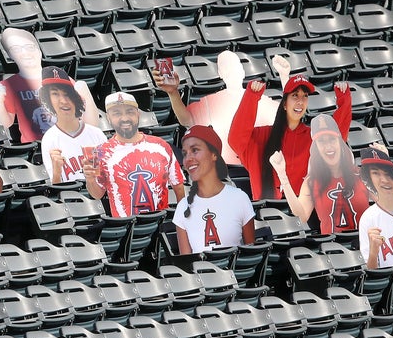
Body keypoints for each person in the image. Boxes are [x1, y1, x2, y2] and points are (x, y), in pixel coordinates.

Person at [228, 74, 351, 201]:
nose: (300, 101)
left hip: (303, 214)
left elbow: (337, 138)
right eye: (295, 95)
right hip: (267, 216)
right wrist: (252, 96)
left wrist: (344, 100)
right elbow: (236, 139)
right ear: (285, 104)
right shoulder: (261, 137)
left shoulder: (313, 137)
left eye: (305, 96)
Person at [155, 51, 281, 166]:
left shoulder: (262, 99)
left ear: (243, 71)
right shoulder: (211, 102)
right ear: (220, 73)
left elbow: (289, 116)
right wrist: (173, 92)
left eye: (235, 66)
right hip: (226, 171)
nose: (232, 71)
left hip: (260, 167)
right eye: (225, 67)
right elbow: (187, 120)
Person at [84, 92, 187, 218]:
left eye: (130, 112)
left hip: (158, 227)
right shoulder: (100, 152)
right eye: (117, 113)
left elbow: (178, 186)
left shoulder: (161, 145)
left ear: (138, 114)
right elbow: (97, 195)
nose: (124, 118)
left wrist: (183, 218)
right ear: (108, 118)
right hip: (126, 228)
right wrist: (89, 179)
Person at [271, 114, 369, 235]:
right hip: (333, 250)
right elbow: (301, 216)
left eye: (332, 139)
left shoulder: (362, 174)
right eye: (321, 141)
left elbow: (388, 203)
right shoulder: (311, 182)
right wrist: (282, 175)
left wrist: (386, 165)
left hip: (366, 247)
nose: (328, 146)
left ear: (340, 141)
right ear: (316, 147)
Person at [172, 125, 256, 253]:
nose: (188, 159)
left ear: (214, 155)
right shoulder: (183, 207)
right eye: (185, 153)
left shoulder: (240, 198)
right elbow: (187, 265)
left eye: (195, 150)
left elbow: (252, 255)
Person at [40, 70, 107, 184]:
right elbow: (56, 191)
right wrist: (56, 172)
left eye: (67, 94)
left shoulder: (97, 134)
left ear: (76, 98)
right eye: (55, 94)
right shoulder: (49, 139)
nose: (63, 101)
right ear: (48, 99)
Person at [0, 28, 54, 143]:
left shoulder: (58, 76)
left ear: (39, 50)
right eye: (16, 49)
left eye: (29, 47)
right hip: (36, 147)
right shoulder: (9, 84)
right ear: (10, 56)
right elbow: (6, 123)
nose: (25, 53)